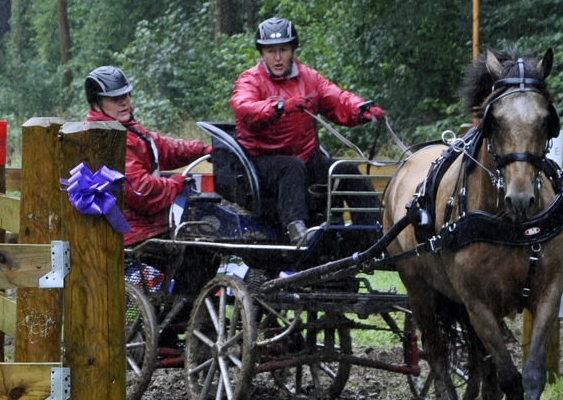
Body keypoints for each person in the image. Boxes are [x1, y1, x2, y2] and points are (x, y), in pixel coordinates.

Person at [230, 17, 385, 245]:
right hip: (262, 162)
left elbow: (336, 98)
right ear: (262, 52)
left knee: (345, 170)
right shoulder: (250, 79)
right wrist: (280, 106)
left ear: (293, 50)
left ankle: (376, 233)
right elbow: (244, 108)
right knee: (292, 168)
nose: (278, 57)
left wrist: (361, 109)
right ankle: (297, 230)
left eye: (283, 50)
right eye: (271, 51)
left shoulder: (309, 78)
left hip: (305, 158)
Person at [85, 65, 211, 246]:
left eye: (126, 95)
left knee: (203, 253)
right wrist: (175, 185)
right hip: (129, 237)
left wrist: (202, 150)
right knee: (200, 256)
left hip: (145, 229)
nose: (124, 102)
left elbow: (161, 147)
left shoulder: (126, 129)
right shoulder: (106, 139)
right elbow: (140, 191)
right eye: (115, 99)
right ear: (96, 103)